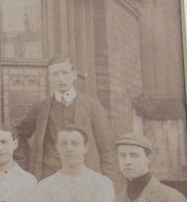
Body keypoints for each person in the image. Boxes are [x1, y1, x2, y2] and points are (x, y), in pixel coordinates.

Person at [15, 55, 118, 184]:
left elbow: (107, 148)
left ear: (74, 75)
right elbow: (18, 134)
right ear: (49, 78)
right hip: (50, 177)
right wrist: (32, 159)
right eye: (55, 74)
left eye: (64, 73)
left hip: (85, 177)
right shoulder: (41, 107)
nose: (60, 78)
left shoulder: (92, 106)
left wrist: (109, 182)